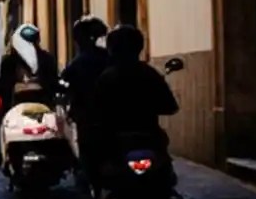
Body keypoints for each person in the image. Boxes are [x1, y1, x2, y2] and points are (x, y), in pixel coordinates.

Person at [89, 24, 179, 173]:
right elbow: (170, 106)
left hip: (116, 139)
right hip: (147, 135)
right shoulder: (150, 74)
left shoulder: (106, 78)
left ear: (111, 49)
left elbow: (95, 110)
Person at [61, 15, 110, 185]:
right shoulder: (109, 59)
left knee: (88, 153)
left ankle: (94, 183)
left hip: (87, 116)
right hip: (112, 114)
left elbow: (64, 83)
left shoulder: (78, 63)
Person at [0, 23, 59, 109]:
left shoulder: (9, 60)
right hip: (19, 110)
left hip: (41, 109)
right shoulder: (9, 61)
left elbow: (1, 88)